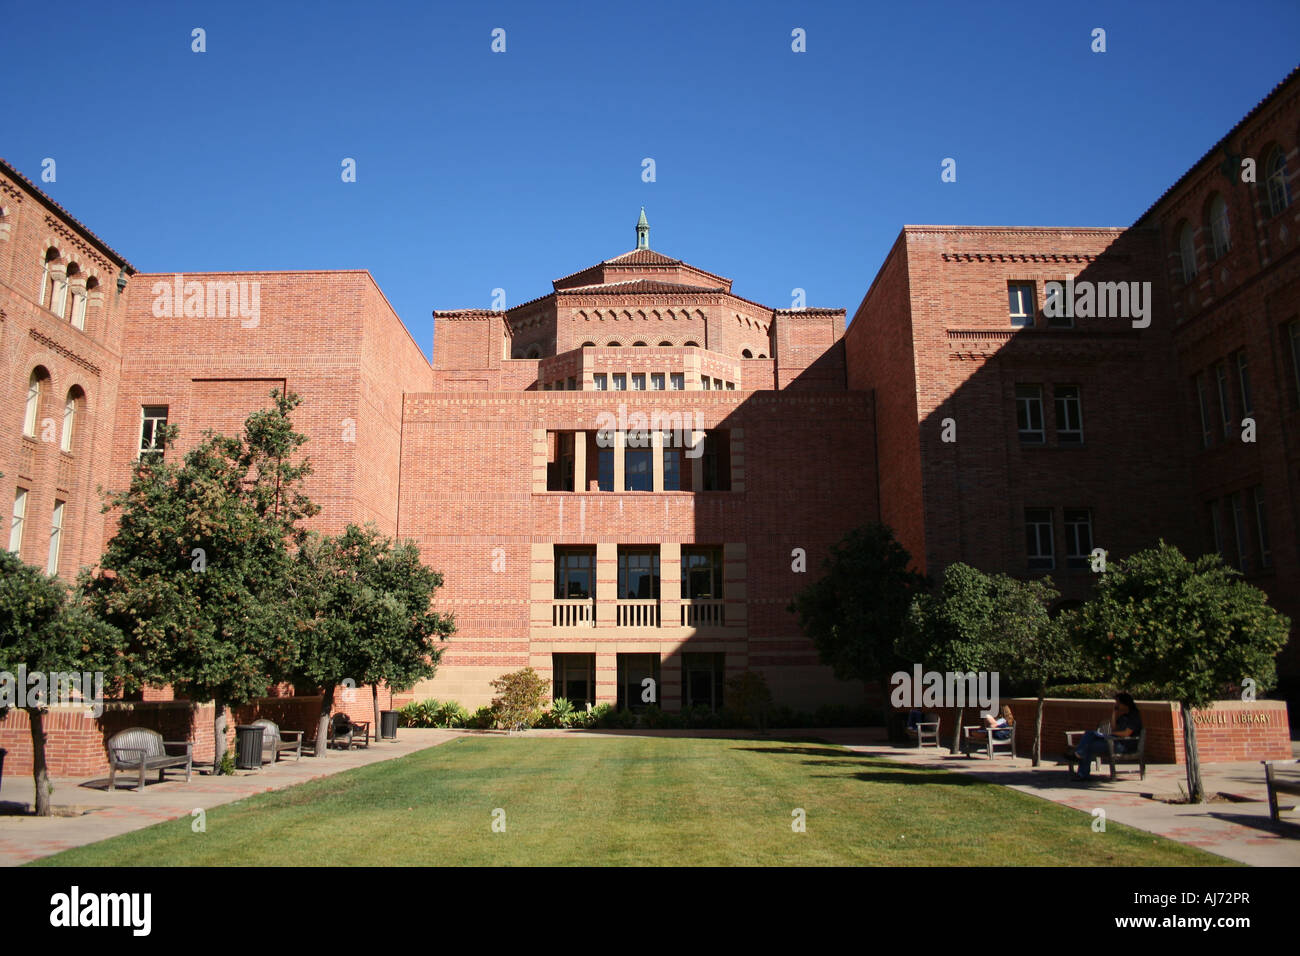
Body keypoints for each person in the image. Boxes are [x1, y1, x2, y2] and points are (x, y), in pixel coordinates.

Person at [1071, 692, 1142, 781]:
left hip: (1123, 746)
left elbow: (1126, 733)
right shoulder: (1124, 715)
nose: (1116, 704)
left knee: (1088, 745)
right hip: (1114, 742)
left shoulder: (1134, 716)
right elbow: (1113, 727)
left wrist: (1112, 735)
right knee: (1089, 735)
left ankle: (1080, 766)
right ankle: (1080, 758)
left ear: (1124, 703)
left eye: (1117, 702)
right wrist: (1114, 712)